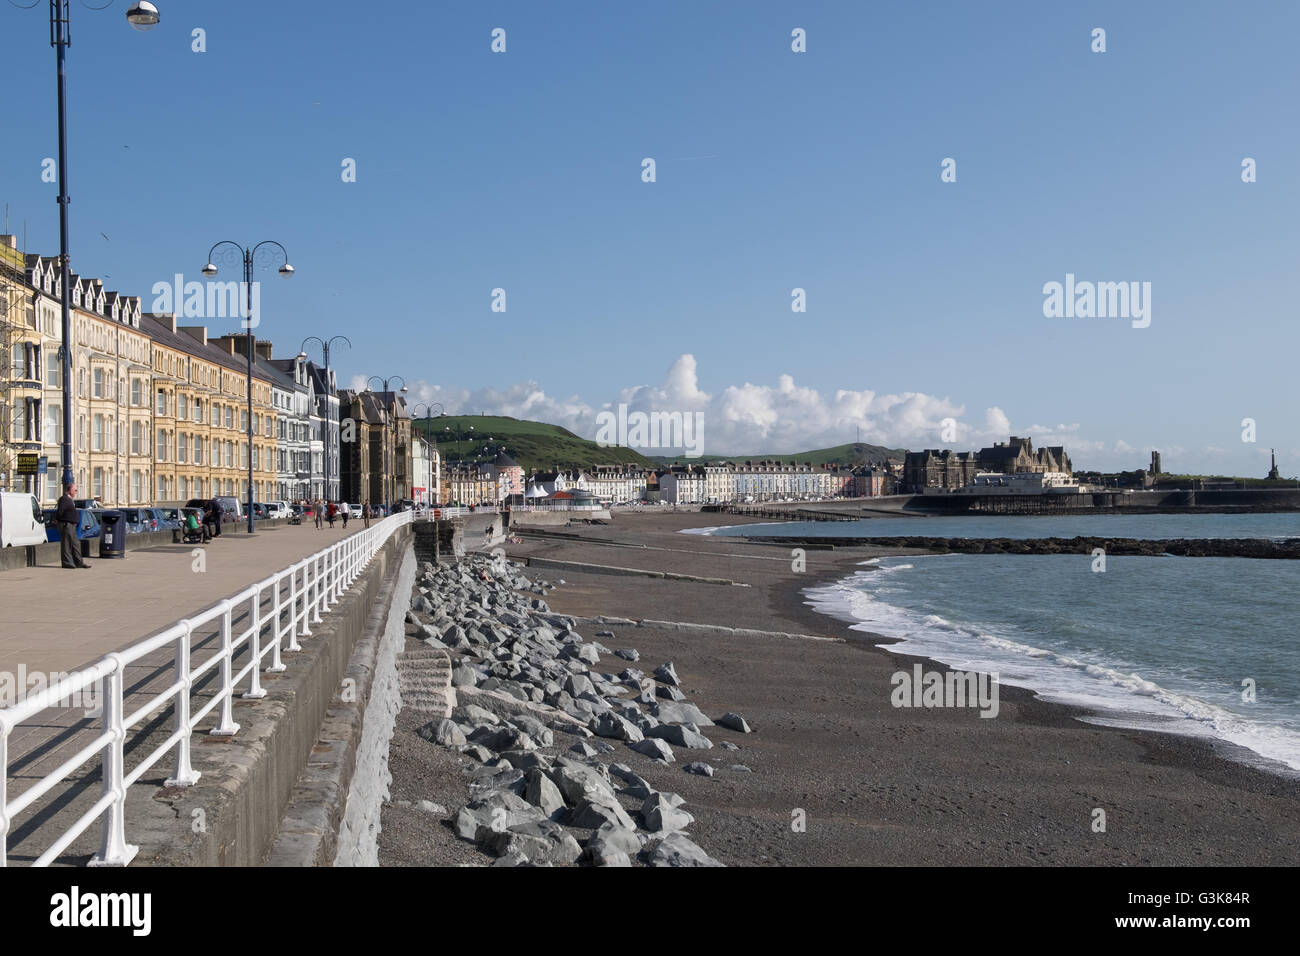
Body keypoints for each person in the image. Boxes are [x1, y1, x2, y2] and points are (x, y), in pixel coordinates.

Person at [57, 482, 90, 569]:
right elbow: (60, 512)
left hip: (72, 525)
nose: (76, 491)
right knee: (66, 545)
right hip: (66, 525)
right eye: (75, 490)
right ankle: (66, 563)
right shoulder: (64, 499)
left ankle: (79, 562)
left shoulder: (70, 500)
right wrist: (60, 521)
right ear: (69, 490)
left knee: (76, 544)